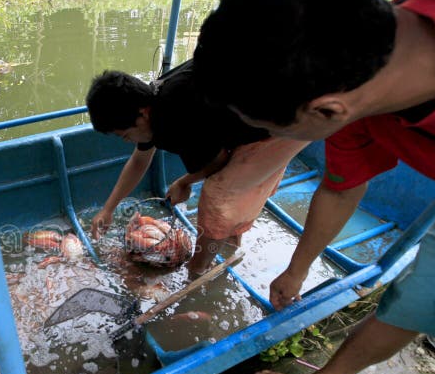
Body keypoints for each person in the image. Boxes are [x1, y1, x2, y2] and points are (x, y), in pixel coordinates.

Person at [193, 0, 435, 374]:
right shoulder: (364, 66)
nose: (266, 137)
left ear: (323, 111)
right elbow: (341, 186)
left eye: (270, 130)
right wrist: (297, 271)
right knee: (415, 297)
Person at [86, 60, 309, 272]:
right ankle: (229, 240)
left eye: (125, 135)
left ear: (142, 114)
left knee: (218, 194)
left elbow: (219, 162)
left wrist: (183, 182)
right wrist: (109, 208)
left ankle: (198, 269)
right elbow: (139, 159)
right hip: (262, 106)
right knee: (233, 188)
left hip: (289, 120)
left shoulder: (177, 115)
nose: (128, 140)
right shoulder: (153, 100)